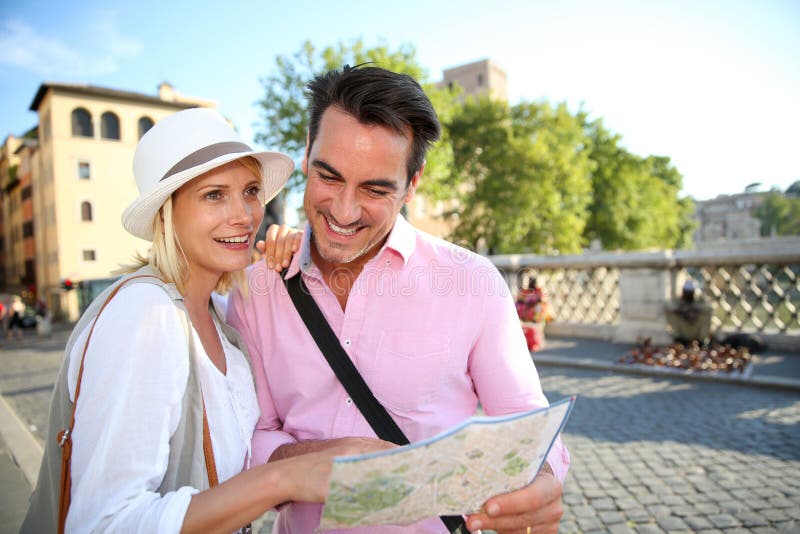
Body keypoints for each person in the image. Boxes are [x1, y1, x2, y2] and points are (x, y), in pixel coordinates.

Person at [228, 65, 570, 534]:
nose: (343, 212)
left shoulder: (473, 282)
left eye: (375, 189)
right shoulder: (256, 291)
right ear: (306, 154)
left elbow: (524, 422)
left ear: (413, 183)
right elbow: (253, 436)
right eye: (329, 177)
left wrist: (543, 477)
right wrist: (316, 461)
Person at [22, 108, 389, 533]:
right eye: (214, 195)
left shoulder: (219, 314)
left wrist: (301, 251)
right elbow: (104, 522)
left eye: (250, 191)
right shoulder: (146, 314)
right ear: (166, 212)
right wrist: (283, 479)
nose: (244, 215)